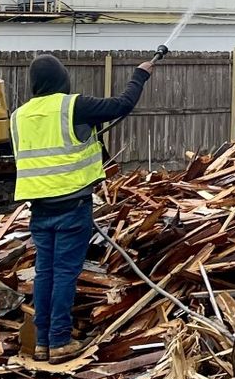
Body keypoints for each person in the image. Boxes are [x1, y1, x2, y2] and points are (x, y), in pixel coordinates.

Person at [11, 52, 155, 361]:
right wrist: (140, 75)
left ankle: (42, 342)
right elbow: (121, 106)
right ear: (62, 79)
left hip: (39, 208)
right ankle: (60, 340)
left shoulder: (19, 115)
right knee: (64, 273)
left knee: (44, 273)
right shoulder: (71, 106)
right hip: (72, 206)